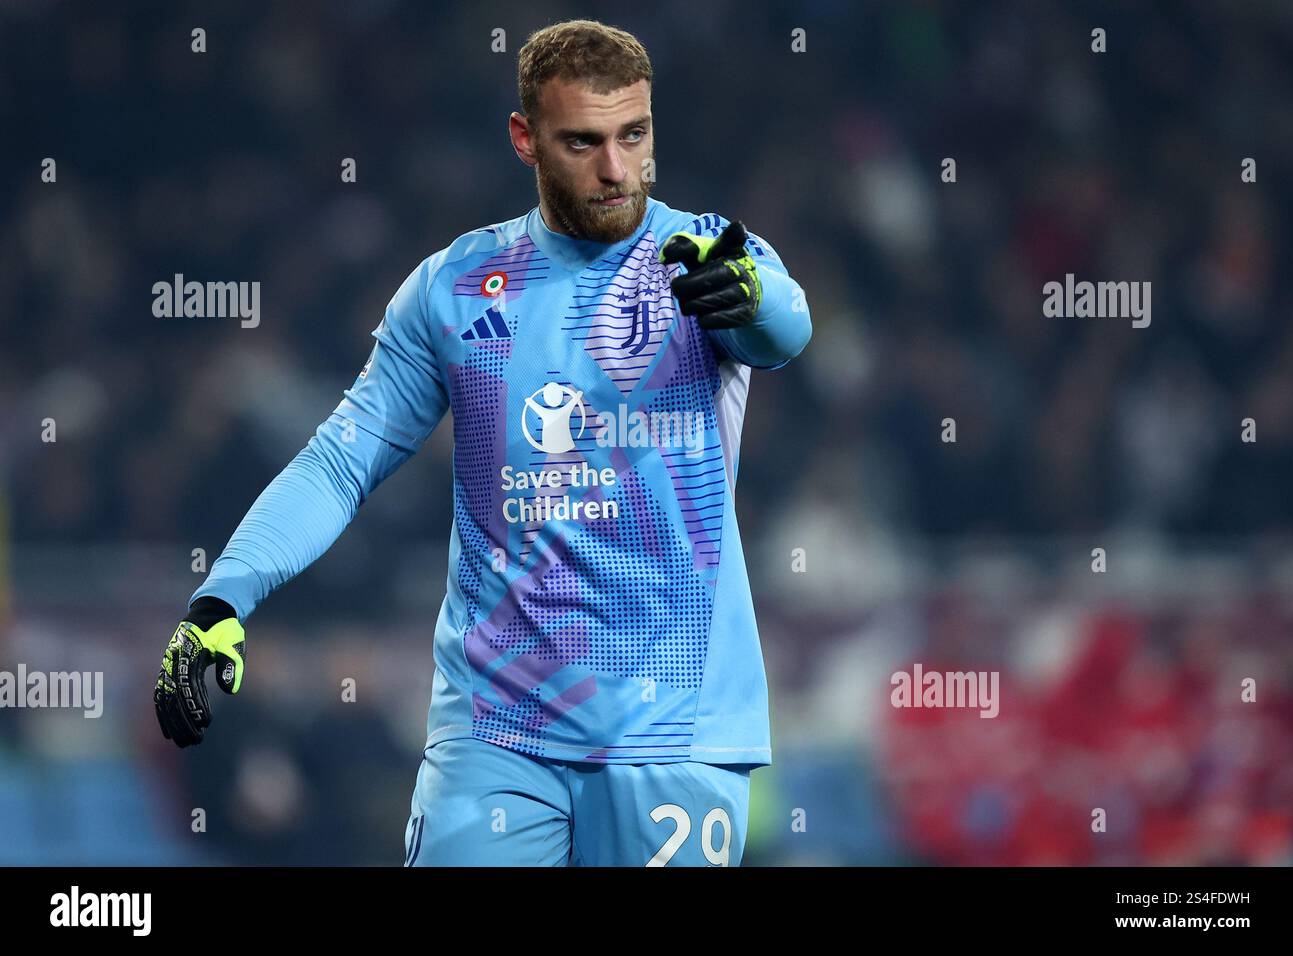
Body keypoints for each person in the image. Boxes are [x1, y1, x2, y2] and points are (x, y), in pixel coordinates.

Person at [153, 18, 812, 866]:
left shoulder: (709, 256)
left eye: (634, 136)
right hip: (497, 729)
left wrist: (750, 294)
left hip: (669, 726)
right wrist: (222, 597)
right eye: (583, 141)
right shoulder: (456, 289)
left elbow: (783, 329)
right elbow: (343, 458)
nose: (617, 169)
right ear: (525, 140)